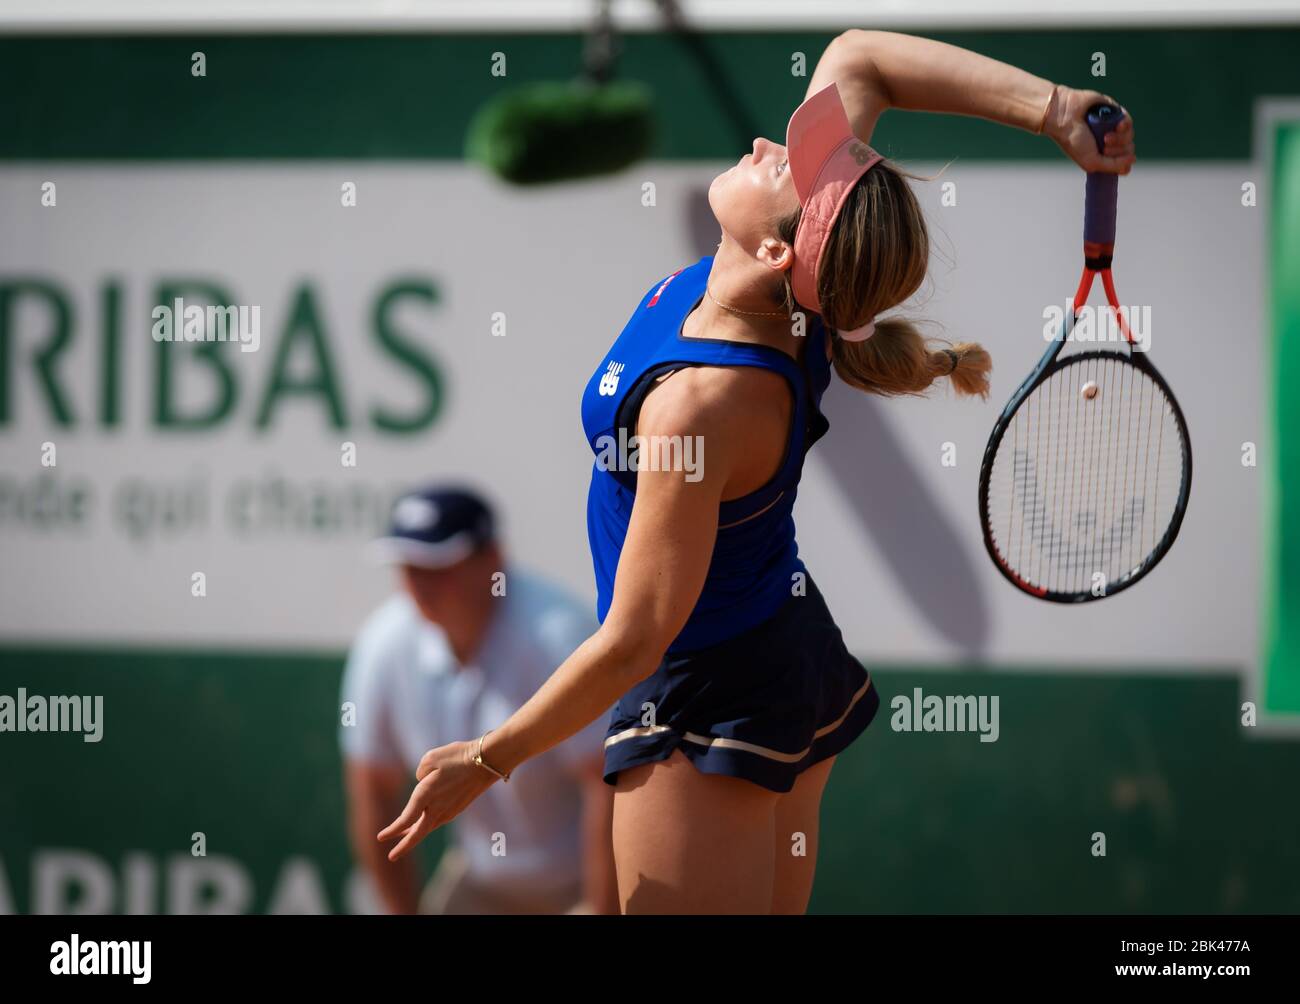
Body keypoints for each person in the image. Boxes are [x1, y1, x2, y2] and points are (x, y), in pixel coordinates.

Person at [377, 31, 1136, 914]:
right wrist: (1052, 110)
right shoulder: (789, 289)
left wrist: (488, 758)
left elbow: (634, 638)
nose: (776, 145)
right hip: (775, 644)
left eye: (792, 167)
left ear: (782, 251)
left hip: (709, 706)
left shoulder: (703, 407)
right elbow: (861, 57)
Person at [340, 486, 618, 914]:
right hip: (480, 883)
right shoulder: (384, 643)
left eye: (439, 564)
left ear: (493, 560)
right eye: (409, 566)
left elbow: (607, 784)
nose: (420, 582)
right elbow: (372, 787)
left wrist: (601, 910)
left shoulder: (557, 632)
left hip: (584, 884)